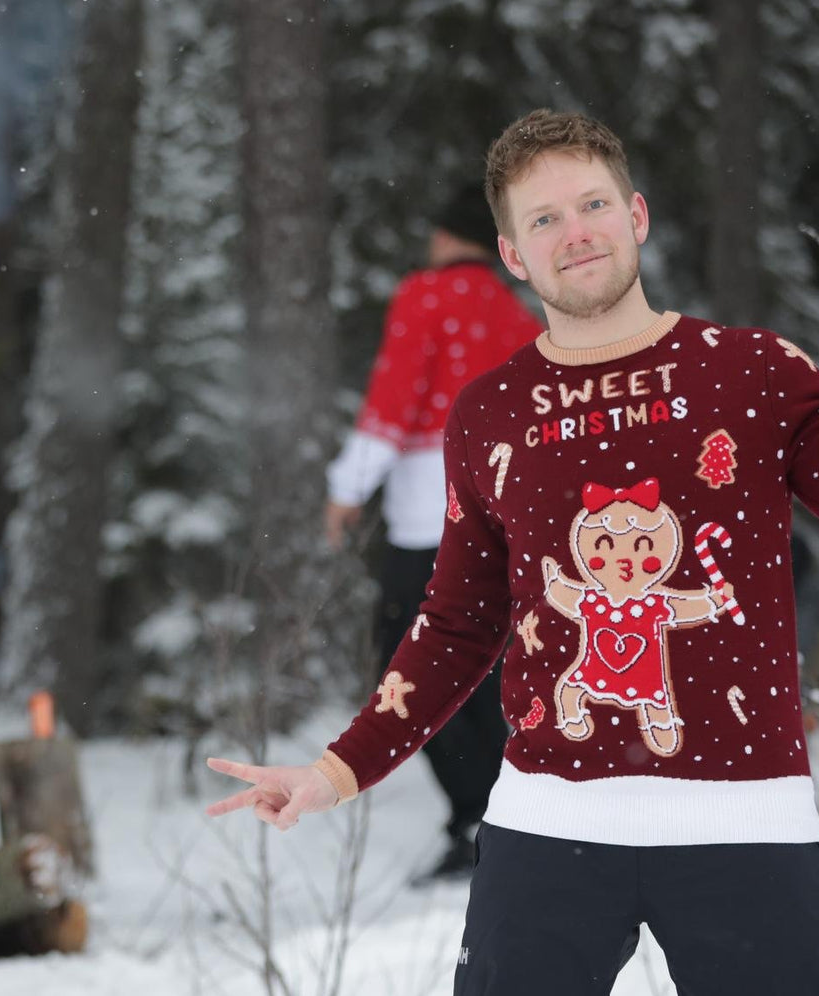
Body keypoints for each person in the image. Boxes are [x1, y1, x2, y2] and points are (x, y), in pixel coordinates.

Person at [207, 109, 819, 995]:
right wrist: (339, 770)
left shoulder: (750, 370)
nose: (576, 233)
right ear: (513, 254)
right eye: (544, 219)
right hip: (545, 829)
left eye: (592, 204)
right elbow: (457, 622)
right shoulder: (490, 413)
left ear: (636, 216)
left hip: (746, 825)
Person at [324, 184, 544, 881]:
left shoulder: (427, 295)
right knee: (483, 669)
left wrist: (347, 487)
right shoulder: (516, 310)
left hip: (430, 514)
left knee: (409, 667)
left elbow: (395, 397)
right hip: (508, 513)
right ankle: (508, 815)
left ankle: (479, 816)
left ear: (447, 235)